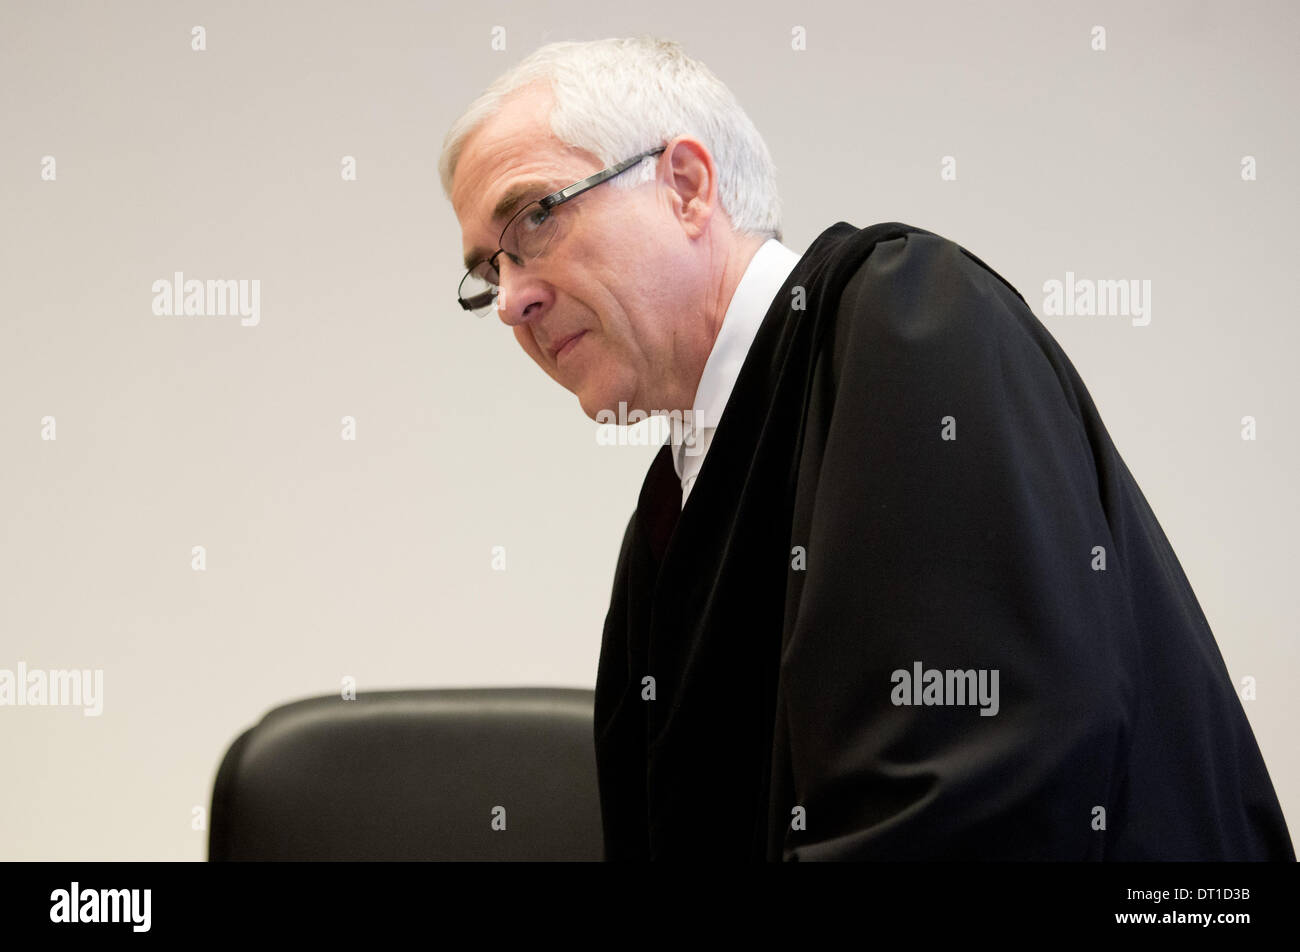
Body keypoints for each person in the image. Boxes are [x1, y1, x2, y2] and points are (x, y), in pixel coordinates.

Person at [440, 36, 1294, 860]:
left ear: (687, 185)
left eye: (536, 216)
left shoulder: (908, 318)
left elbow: (973, 800)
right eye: (489, 271)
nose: (512, 300)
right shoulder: (671, 504)